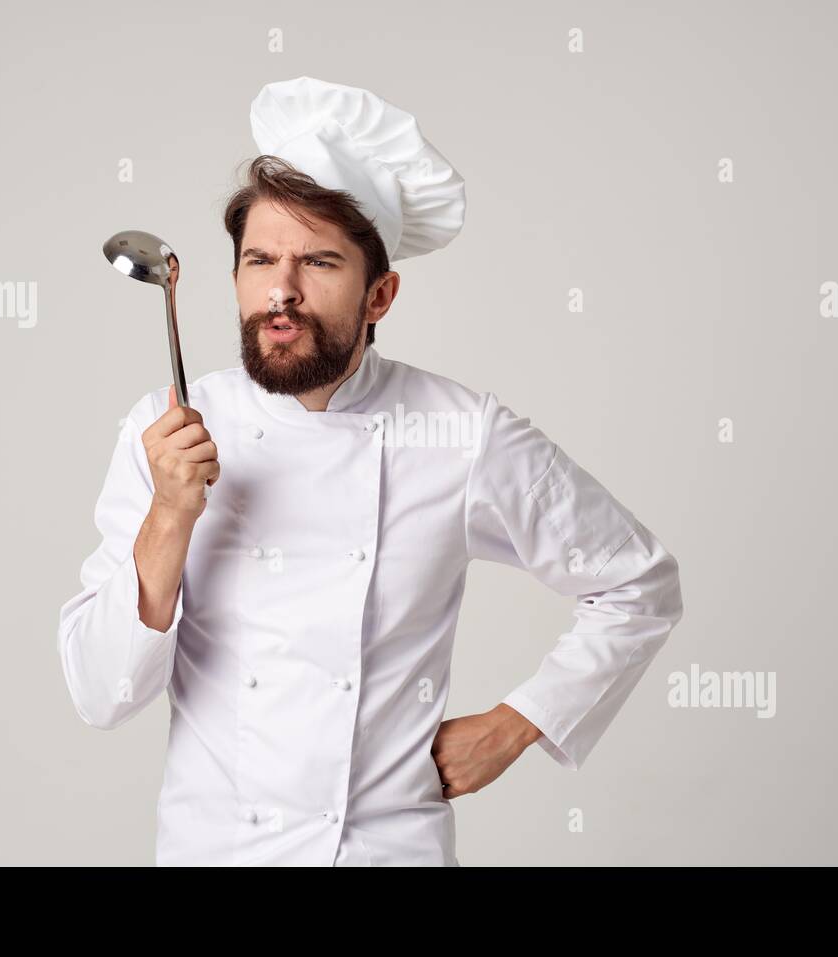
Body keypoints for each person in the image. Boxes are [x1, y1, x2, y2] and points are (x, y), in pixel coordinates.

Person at [58, 76, 683, 866]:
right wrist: (169, 518)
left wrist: (520, 721)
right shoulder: (168, 427)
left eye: (318, 262)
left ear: (380, 293)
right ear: (234, 277)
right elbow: (99, 690)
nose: (280, 292)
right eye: (259, 260)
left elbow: (639, 581)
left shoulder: (460, 432)